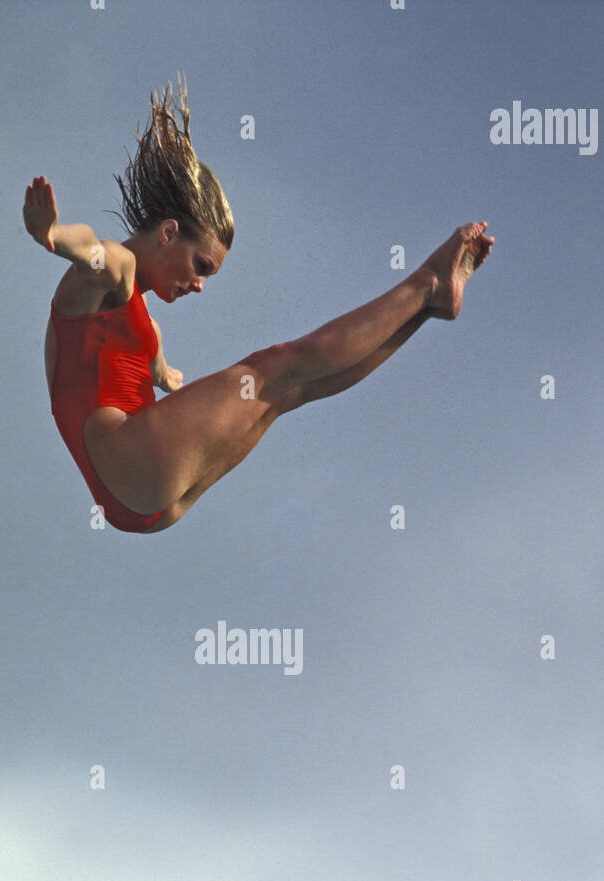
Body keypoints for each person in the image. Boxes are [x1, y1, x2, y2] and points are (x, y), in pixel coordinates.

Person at [24, 74, 493, 535]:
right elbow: (92, 251)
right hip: (134, 463)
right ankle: (426, 284)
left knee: (291, 391)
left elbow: (148, 362)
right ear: (168, 234)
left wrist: (164, 375)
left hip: (145, 502)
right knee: (279, 366)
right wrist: (54, 237)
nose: (200, 285)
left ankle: (427, 308)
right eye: (201, 265)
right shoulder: (116, 268)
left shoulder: (140, 323)